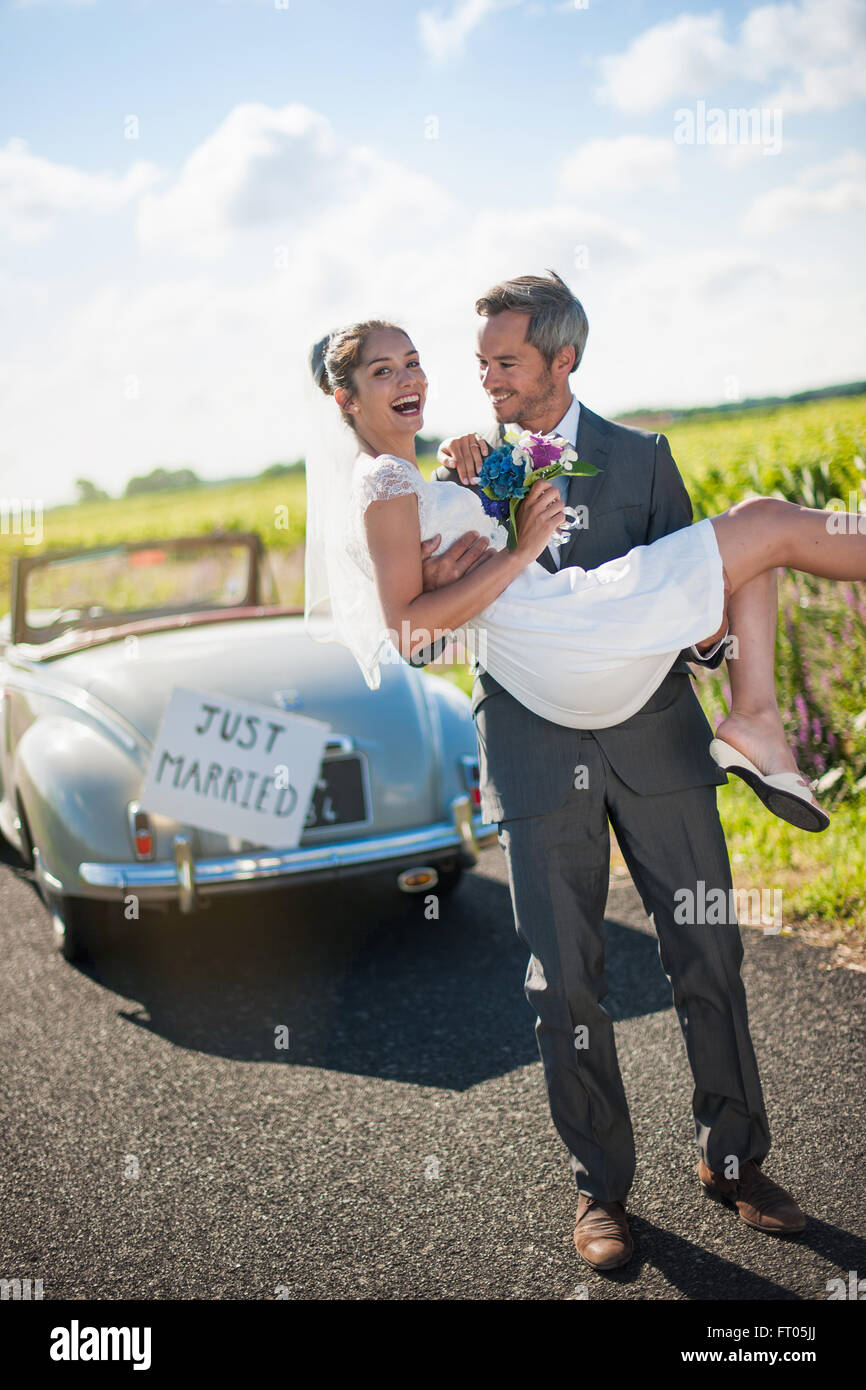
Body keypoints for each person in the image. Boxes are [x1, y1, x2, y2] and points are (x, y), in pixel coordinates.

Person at [304, 300, 865, 1270]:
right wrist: (511, 537)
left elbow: (701, 614)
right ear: (344, 395)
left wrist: (713, 647)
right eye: (461, 361)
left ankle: (733, 1160)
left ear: (559, 358)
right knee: (561, 977)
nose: (465, 378)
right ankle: (599, 1192)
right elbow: (420, 626)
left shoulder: (632, 456)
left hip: (648, 722)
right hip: (530, 723)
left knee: (707, 951)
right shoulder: (429, 471)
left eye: (494, 359)